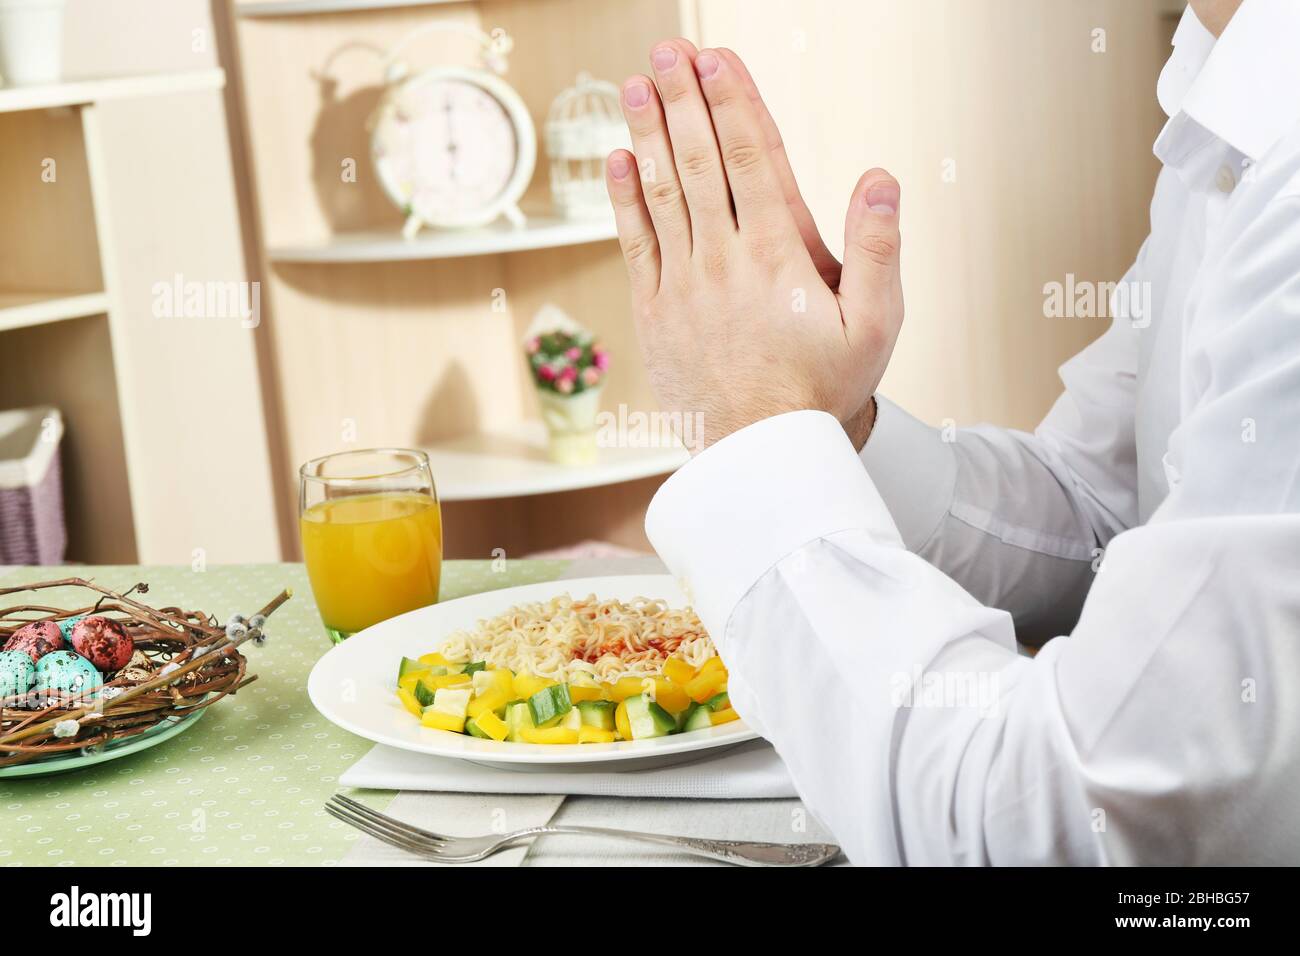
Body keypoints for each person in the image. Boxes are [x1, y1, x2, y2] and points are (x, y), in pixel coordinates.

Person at [603, 0, 1300, 864]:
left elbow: (1057, 825)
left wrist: (760, 429)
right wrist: (835, 425)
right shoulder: (1233, 84)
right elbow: (1101, 516)